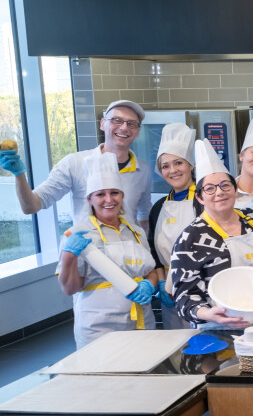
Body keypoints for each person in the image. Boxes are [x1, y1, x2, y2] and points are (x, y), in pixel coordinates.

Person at [171, 139, 253, 330]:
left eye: (225, 185)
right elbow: (184, 296)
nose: (219, 192)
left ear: (235, 190)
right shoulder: (191, 238)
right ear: (199, 197)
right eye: (210, 188)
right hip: (222, 330)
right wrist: (207, 313)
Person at [3, 99, 152, 230]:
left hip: (128, 258)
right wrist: (19, 175)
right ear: (102, 124)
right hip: (87, 256)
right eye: (116, 120)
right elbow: (31, 206)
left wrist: (145, 249)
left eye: (131, 123)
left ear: (137, 131)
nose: (124, 127)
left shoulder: (143, 169)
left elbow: (143, 216)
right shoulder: (74, 163)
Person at [57, 152, 157, 347]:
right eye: (100, 194)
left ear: (122, 195)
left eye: (114, 192)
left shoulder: (135, 231)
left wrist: (150, 285)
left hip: (140, 323)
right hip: (98, 328)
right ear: (89, 200)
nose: (108, 199)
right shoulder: (76, 234)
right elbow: (70, 289)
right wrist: (69, 255)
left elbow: (150, 272)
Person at [148, 123, 199, 329]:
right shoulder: (158, 207)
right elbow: (153, 250)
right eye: (165, 166)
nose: (173, 170)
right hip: (168, 288)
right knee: (176, 349)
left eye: (178, 163)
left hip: (199, 285)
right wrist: (162, 283)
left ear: (190, 165)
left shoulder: (205, 200)